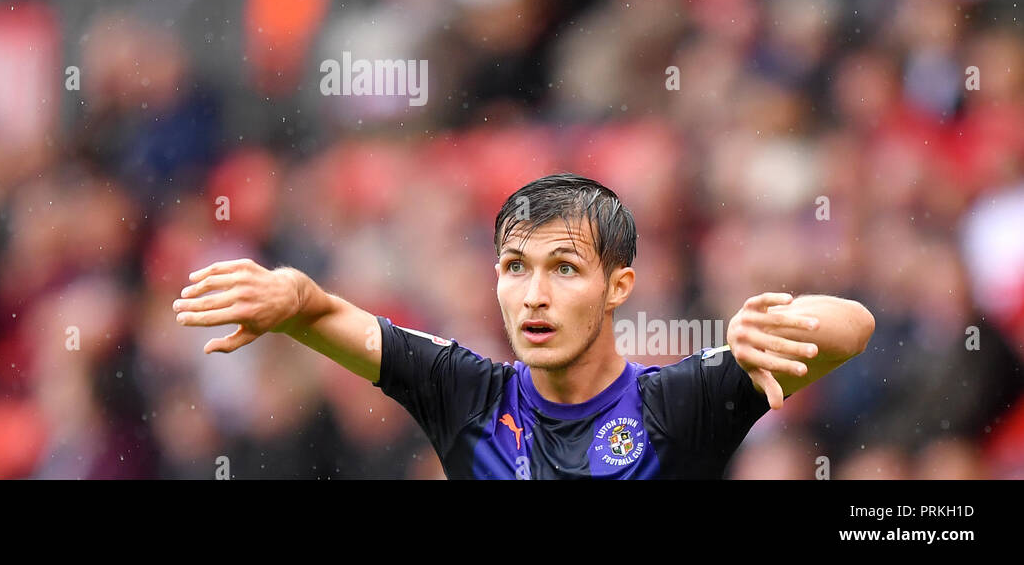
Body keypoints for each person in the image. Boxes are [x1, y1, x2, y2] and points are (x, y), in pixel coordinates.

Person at [172, 173, 875, 479]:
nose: (533, 295)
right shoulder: (465, 395)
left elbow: (855, 326)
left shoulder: (678, 402)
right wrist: (294, 299)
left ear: (617, 286)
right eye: (515, 266)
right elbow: (326, 312)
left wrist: (775, 324)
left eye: (564, 268)